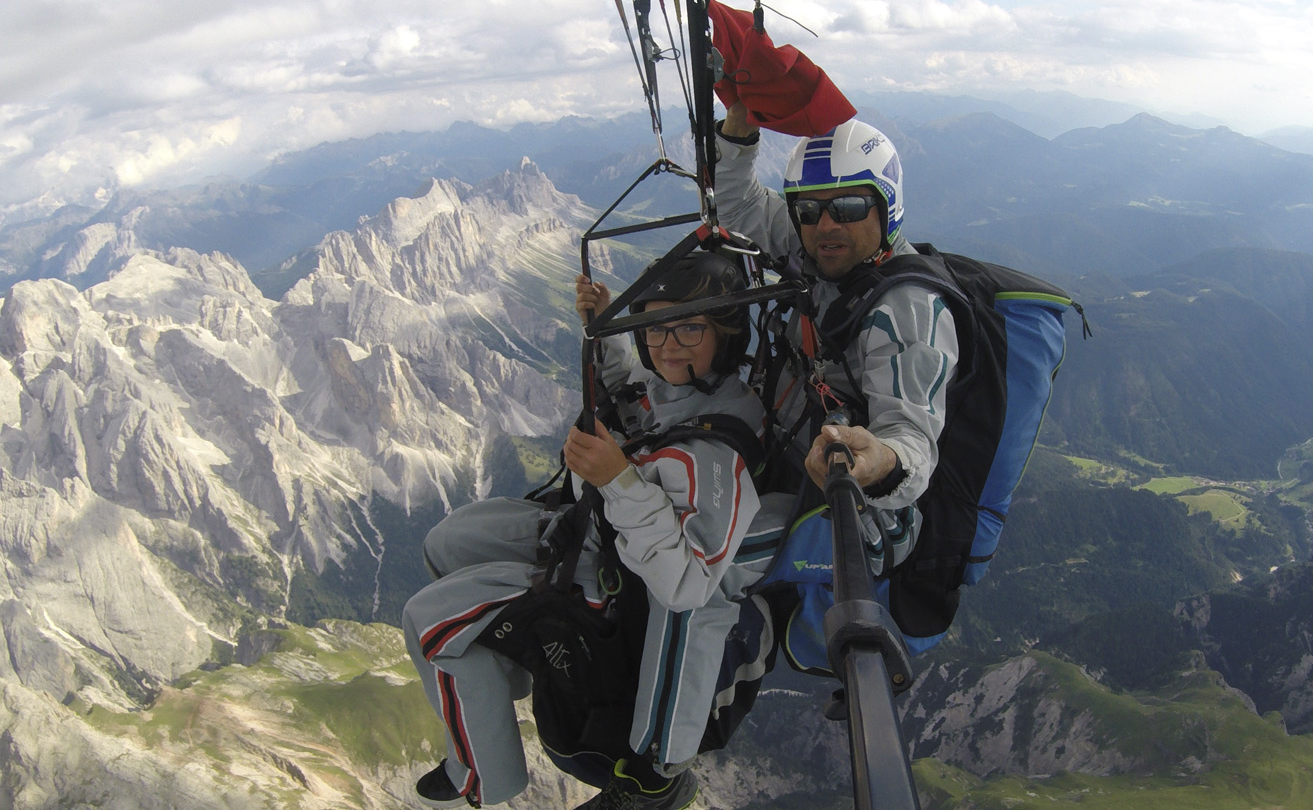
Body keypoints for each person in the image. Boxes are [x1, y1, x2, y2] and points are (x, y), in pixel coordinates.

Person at [403, 251, 790, 809]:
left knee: (430, 620)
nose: (667, 343)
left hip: (615, 578)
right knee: (447, 543)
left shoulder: (711, 453)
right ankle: (498, 680)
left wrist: (620, 481)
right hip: (598, 530)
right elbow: (639, 394)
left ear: (726, 336)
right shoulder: (692, 388)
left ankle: (481, 776)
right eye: (654, 326)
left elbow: (687, 582)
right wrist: (606, 328)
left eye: (689, 327)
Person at [714, 102, 962, 668]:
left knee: (692, 553)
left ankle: (737, 663)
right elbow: (740, 204)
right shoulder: (823, 255)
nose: (826, 225)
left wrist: (879, 460)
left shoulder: (906, 315)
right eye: (809, 209)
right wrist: (740, 119)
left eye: (848, 207)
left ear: (885, 206)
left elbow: (914, 444)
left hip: (867, 511)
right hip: (798, 465)